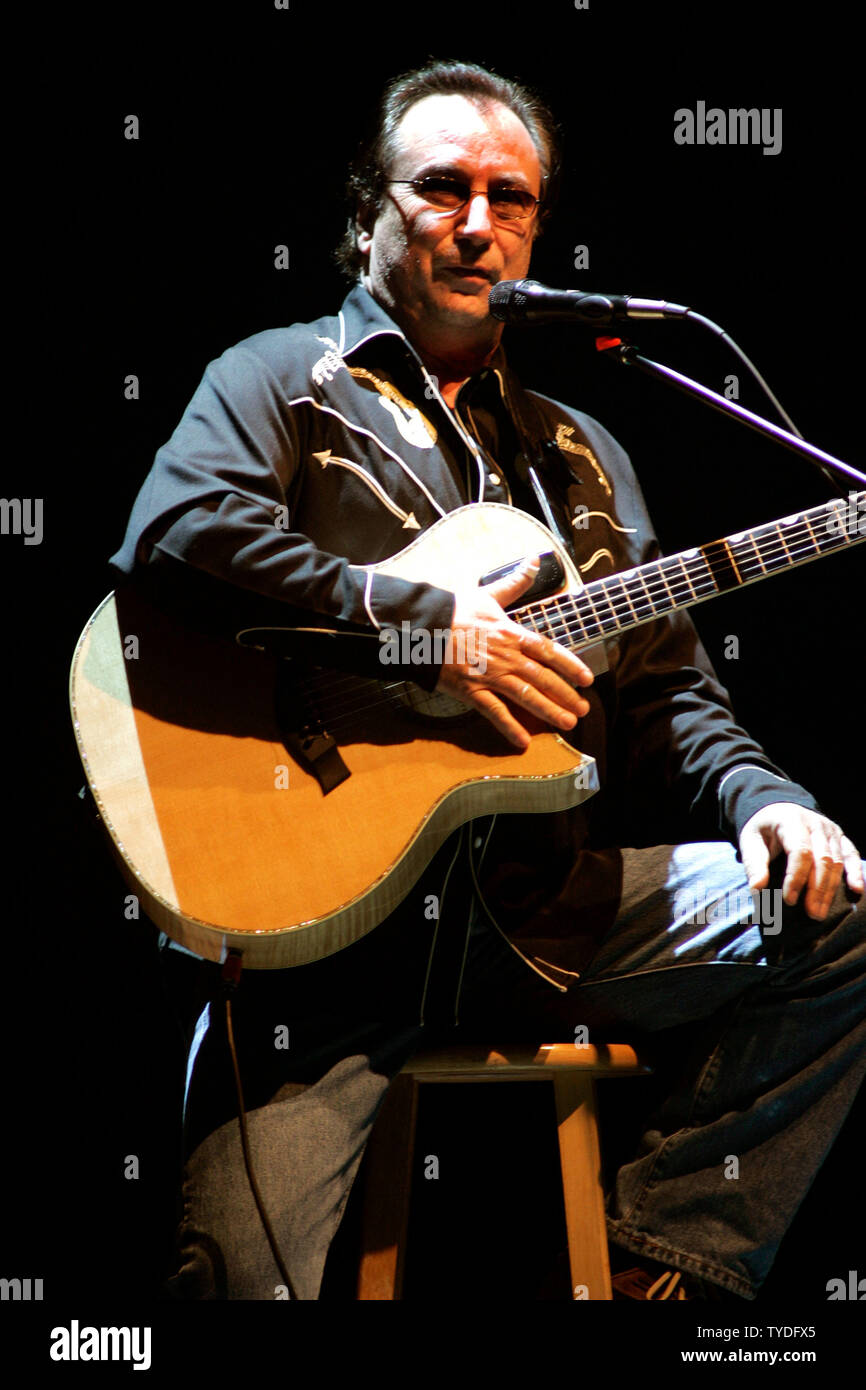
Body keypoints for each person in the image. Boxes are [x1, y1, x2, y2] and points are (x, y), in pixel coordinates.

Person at [109, 60, 865, 1302]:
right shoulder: (281, 379)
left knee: (833, 908)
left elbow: (666, 684)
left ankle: (667, 1266)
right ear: (369, 214)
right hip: (324, 954)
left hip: (548, 920)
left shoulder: (582, 453)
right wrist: (420, 625)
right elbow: (182, 528)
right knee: (230, 1287)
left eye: (508, 200)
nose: (476, 223)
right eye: (441, 188)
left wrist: (763, 802)